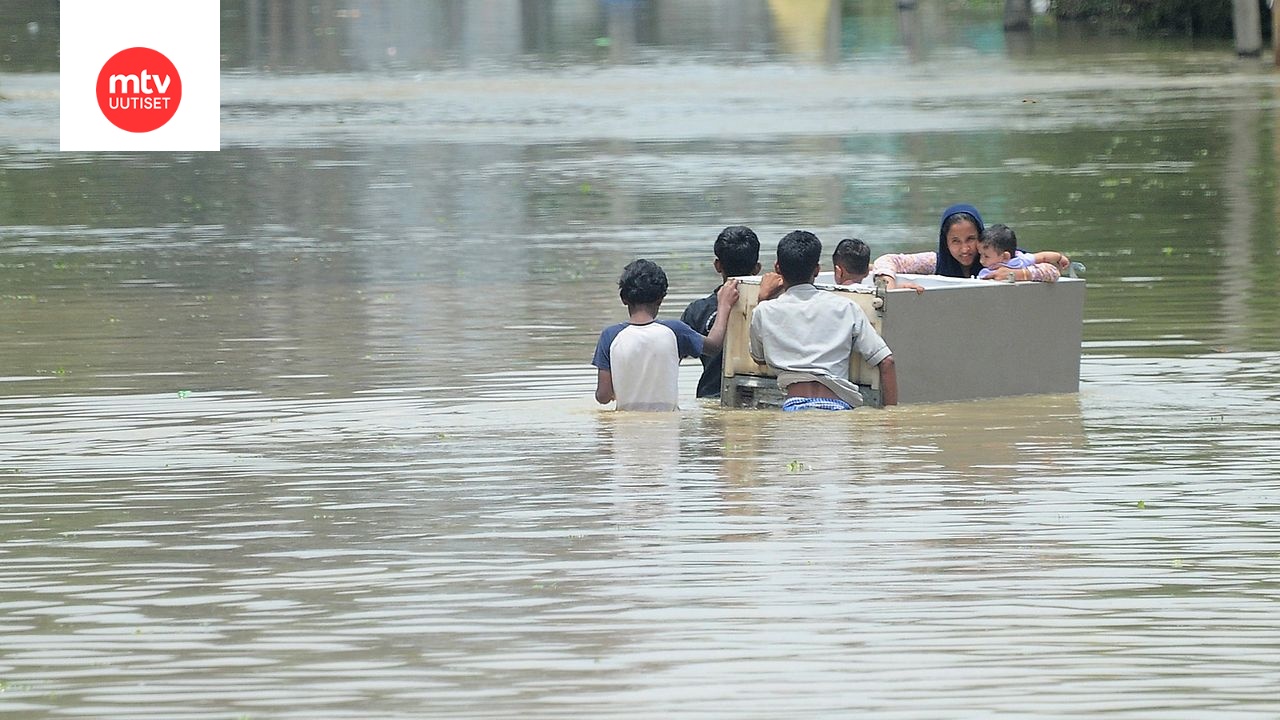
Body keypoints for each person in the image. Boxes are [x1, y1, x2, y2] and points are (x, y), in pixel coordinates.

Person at [749, 231, 898, 412]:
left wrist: (762, 298)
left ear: (777, 268)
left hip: (793, 408)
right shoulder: (845, 307)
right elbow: (887, 361)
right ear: (817, 270)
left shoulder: (763, 311)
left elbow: (759, 359)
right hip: (838, 407)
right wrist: (891, 418)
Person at [594, 259, 738, 411]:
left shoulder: (609, 336)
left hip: (624, 429)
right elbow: (714, 346)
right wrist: (724, 306)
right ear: (661, 299)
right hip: (667, 427)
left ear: (623, 299)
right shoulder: (675, 331)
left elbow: (603, 396)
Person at [872, 204, 1068, 288]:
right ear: (945, 242)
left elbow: (1052, 271)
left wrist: (1016, 275)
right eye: (955, 241)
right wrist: (889, 285)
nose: (964, 249)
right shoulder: (936, 262)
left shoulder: (1001, 259)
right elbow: (888, 260)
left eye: (971, 239)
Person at [681, 225, 761, 399]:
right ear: (757, 268)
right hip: (760, 398)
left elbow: (673, 359)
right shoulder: (772, 305)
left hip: (710, 399)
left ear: (718, 265)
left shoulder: (697, 311)